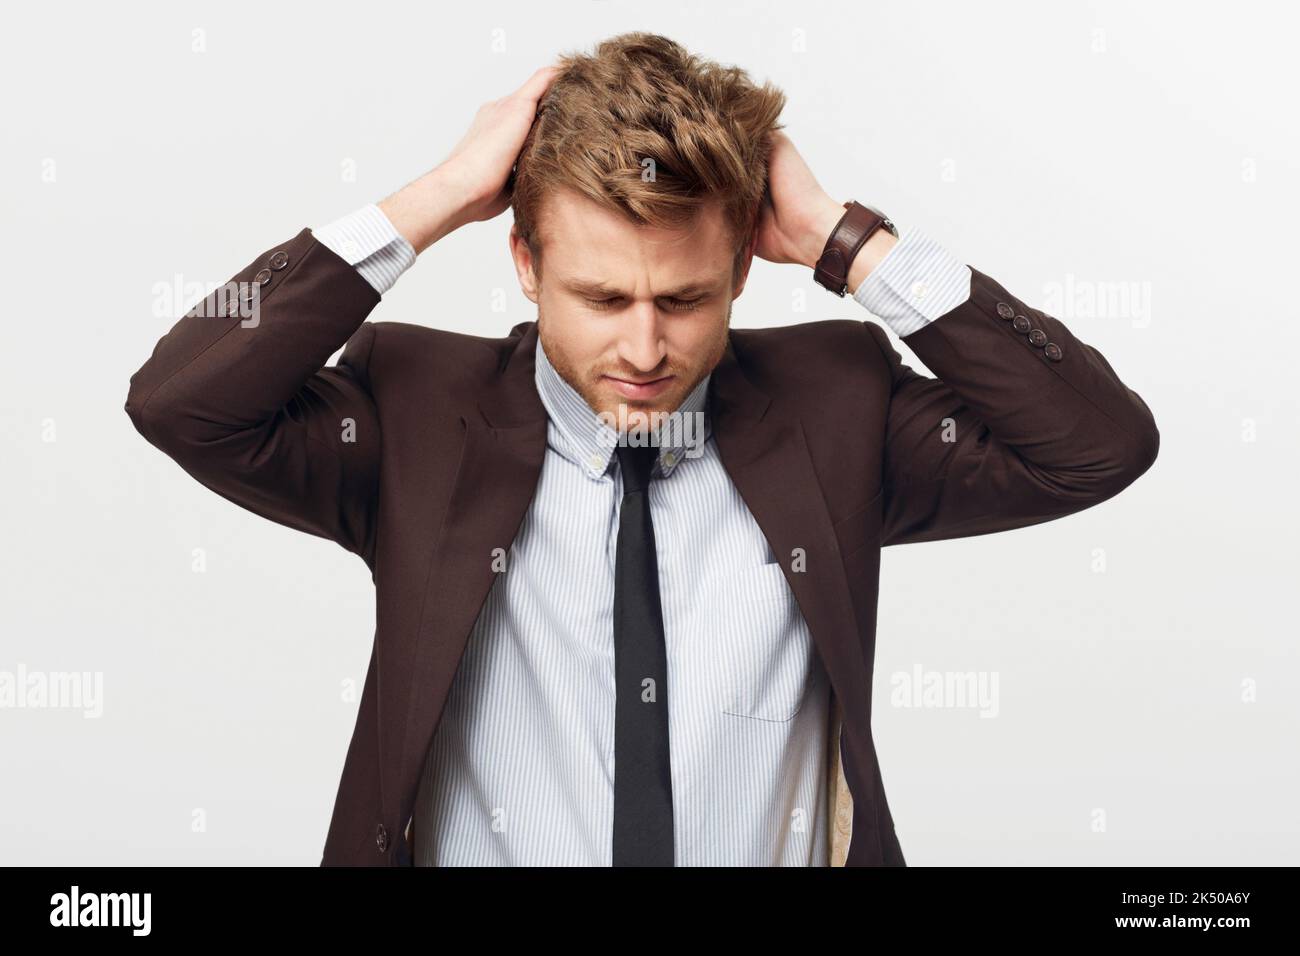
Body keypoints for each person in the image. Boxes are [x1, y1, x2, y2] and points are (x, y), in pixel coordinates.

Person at [125, 32, 1158, 866]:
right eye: (603, 296)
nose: (645, 347)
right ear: (524, 260)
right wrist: (436, 196)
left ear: (745, 268)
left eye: (686, 297)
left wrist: (847, 242)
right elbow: (182, 399)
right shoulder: (412, 411)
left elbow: (1095, 444)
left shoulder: (836, 410)